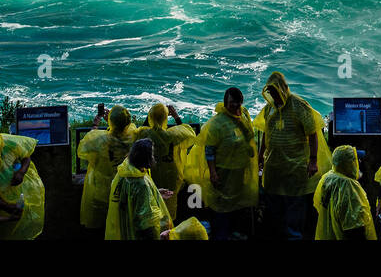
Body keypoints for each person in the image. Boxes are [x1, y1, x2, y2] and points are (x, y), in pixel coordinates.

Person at [254, 71, 332, 240]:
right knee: (275, 204)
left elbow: (312, 133)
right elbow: (266, 135)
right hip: (274, 168)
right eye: (271, 92)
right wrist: (260, 157)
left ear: (283, 89)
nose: (273, 95)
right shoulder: (269, 109)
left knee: (294, 206)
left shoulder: (299, 105)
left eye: (276, 91)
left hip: (295, 168)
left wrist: (313, 161)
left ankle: (294, 236)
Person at [182, 87, 258, 240]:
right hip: (223, 171)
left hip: (239, 171)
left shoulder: (242, 116)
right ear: (225, 103)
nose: (236, 108)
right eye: (232, 105)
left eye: (238, 105)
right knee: (222, 206)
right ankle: (221, 234)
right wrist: (213, 173)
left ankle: (232, 232)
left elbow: (249, 135)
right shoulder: (217, 124)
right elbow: (209, 150)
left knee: (237, 202)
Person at [77, 104, 136, 232]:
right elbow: (127, 126)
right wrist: (114, 120)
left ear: (111, 122)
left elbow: (85, 146)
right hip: (126, 188)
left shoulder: (101, 139)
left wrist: (96, 123)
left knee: (103, 224)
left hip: (103, 190)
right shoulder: (133, 136)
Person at [139, 102, 197, 220]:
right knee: (170, 208)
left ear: (150, 117)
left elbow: (141, 129)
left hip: (152, 176)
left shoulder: (145, 134)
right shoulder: (174, 134)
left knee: (153, 207)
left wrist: (150, 117)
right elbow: (189, 132)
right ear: (166, 118)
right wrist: (176, 117)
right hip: (172, 176)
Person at [107, 139, 173, 240]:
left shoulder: (125, 172)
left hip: (125, 228)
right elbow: (147, 222)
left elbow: (130, 197)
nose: (153, 157)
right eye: (151, 154)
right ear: (145, 158)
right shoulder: (141, 184)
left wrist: (156, 193)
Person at [313, 145, 377, 240]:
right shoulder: (348, 187)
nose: (359, 162)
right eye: (355, 159)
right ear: (347, 164)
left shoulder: (328, 177)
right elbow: (355, 227)